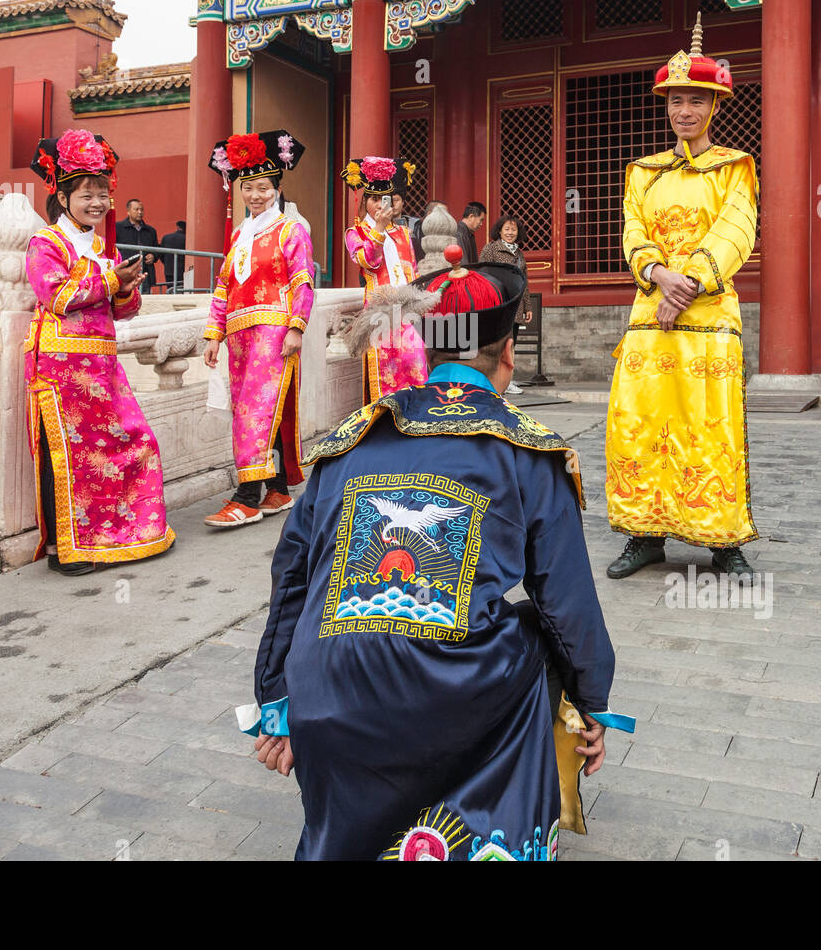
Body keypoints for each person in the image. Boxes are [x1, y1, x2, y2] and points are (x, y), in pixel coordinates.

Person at [240, 247, 632, 860]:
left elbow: (291, 577)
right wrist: (591, 702)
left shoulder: (349, 439)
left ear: (425, 349)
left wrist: (277, 702)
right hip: (450, 698)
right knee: (540, 630)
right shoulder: (527, 451)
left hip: (328, 694)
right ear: (506, 354)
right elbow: (567, 601)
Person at [604, 14, 758, 580]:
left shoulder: (735, 168)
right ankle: (644, 533)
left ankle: (722, 540)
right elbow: (632, 231)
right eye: (675, 102)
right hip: (652, 314)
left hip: (709, 316)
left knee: (709, 423)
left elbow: (735, 231)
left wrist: (686, 281)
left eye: (695, 101)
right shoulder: (643, 171)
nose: (684, 111)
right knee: (639, 421)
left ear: (714, 106)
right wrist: (658, 276)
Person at [24, 129, 175, 575]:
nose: (98, 203)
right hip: (60, 366)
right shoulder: (46, 243)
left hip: (102, 362)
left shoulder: (99, 249)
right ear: (63, 196)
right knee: (68, 454)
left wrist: (126, 286)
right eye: (87, 195)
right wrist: (111, 281)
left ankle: (116, 533)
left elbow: (120, 311)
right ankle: (65, 550)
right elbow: (58, 296)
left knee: (129, 443)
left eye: (103, 194)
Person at [202, 130, 315, 528]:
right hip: (238, 333)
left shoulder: (290, 230)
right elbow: (223, 285)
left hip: (273, 326)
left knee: (256, 408)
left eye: (264, 187)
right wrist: (214, 333)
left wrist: (296, 326)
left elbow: (303, 281)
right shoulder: (239, 236)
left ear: (277, 188)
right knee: (257, 409)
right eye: (248, 187)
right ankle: (278, 487)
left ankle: (246, 496)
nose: (255, 195)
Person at [342, 156, 428, 402]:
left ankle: (415, 414)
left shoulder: (402, 232)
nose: (379, 204)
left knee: (414, 359)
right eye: (373, 199)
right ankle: (386, 418)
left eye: (384, 199)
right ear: (365, 201)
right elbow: (369, 262)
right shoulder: (355, 233)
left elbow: (412, 270)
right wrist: (378, 230)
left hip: (406, 306)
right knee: (385, 365)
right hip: (379, 308)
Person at [479, 213, 534, 395]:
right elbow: (482, 275)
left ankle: (506, 379)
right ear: (500, 231)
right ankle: (495, 378)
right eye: (507, 229)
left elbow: (523, 282)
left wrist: (527, 306)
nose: (510, 232)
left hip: (515, 305)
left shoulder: (519, 254)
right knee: (498, 342)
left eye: (514, 229)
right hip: (498, 303)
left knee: (511, 342)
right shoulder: (491, 249)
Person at [115, 198, 160, 293]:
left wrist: (153, 256)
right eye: (136, 209)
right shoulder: (118, 228)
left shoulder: (150, 231)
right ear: (128, 212)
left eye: (141, 209)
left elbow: (157, 249)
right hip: (125, 272)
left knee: (144, 299)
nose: (140, 212)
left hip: (144, 273)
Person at [160, 219, 186, 293]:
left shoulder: (166, 237)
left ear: (177, 227)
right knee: (181, 291)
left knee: (170, 290)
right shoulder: (186, 238)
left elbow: (161, 254)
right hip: (182, 270)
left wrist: (166, 263)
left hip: (168, 270)